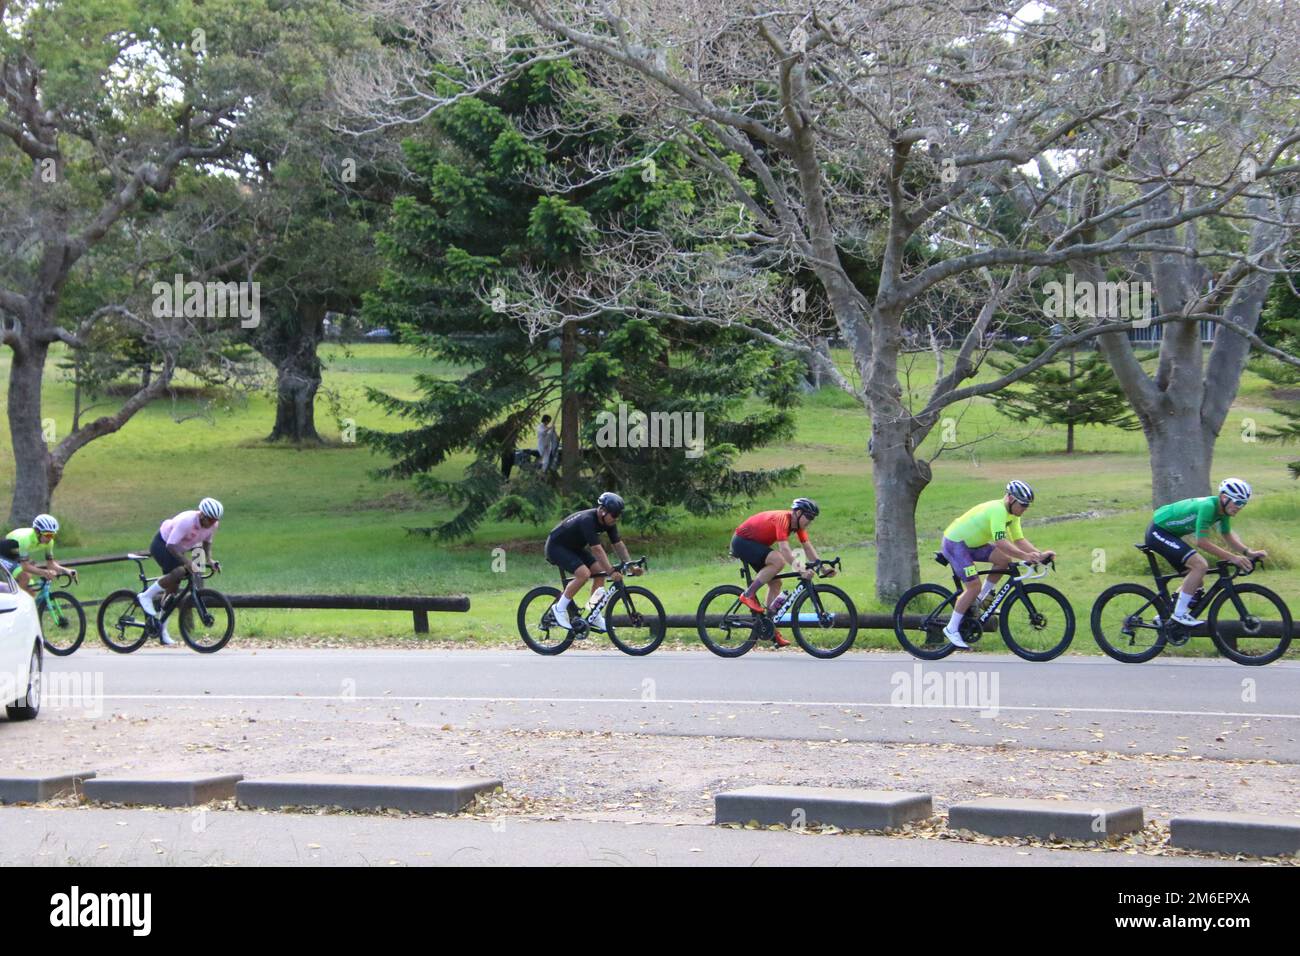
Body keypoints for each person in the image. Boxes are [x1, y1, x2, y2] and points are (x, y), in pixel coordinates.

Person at [940, 481, 1055, 649]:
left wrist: (1039, 555)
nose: (1025, 508)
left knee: (1004, 561)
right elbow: (1000, 541)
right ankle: (951, 628)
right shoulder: (997, 510)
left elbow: (1019, 540)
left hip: (973, 544)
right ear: (1010, 499)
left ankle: (980, 601)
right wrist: (1025, 556)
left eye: (1027, 505)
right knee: (973, 586)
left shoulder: (1013, 515)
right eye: (1023, 504)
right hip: (956, 544)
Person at [1146, 478, 1266, 627]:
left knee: (1197, 581)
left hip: (1170, 534)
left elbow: (1227, 535)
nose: (1239, 507)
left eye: (1243, 503)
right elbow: (1201, 542)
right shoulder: (1208, 506)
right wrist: (1233, 558)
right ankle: (1179, 614)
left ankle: (1165, 615)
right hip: (1159, 531)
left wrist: (1249, 552)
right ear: (1224, 497)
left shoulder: (1223, 511)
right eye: (1238, 502)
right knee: (1200, 566)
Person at [731, 498, 832, 647]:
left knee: (776, 583)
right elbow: (784, 550)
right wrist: (801, 570)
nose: (810, 521)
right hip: (742, 542)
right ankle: (748, 595)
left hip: (755, 545)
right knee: (779, 560)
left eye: (813, 518)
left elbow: (807, 547)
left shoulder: (797, 526)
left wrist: (822, 568)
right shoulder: (783, 519)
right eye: (809, 517)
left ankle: (769, 627)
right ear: (798, 513)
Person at [544, 491, 642, 634]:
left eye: (618, 515)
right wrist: (611, 571)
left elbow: (618, 544)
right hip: (556, 546)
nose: (617, 518)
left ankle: (594, 612)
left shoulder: (609, 522)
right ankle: (559, 609)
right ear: (603, 511)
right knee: (583, 574)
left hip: (574, 547)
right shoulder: (587, 520)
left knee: (599, 573)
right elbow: (596, 549)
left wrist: (631, 566)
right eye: (614, 515)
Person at [138, 497, 224, 646]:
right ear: (202, 514)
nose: (212, 523)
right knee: (179, 572)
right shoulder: (187, 521)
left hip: (180, 547)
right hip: (163, 544)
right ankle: (146, 596)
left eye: (214, 520)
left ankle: (162, 631)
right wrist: (187, 562)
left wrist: (210, 560)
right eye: (209, 519)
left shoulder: (213, 524)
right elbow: (170, 546)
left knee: (173, 592)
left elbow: (206, 543)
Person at [0, 514, 77, 593]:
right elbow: (25, 567)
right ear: (37, 531)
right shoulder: (26, 539)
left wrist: (67, 570)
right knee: (25, 577)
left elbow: (51, 564)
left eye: (53, 535)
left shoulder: (49, 542)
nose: (50, 538)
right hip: (2, 554)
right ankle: (14, 603)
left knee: (31, 591)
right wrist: (45, 572)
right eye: (48, 535)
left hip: (14, 554)